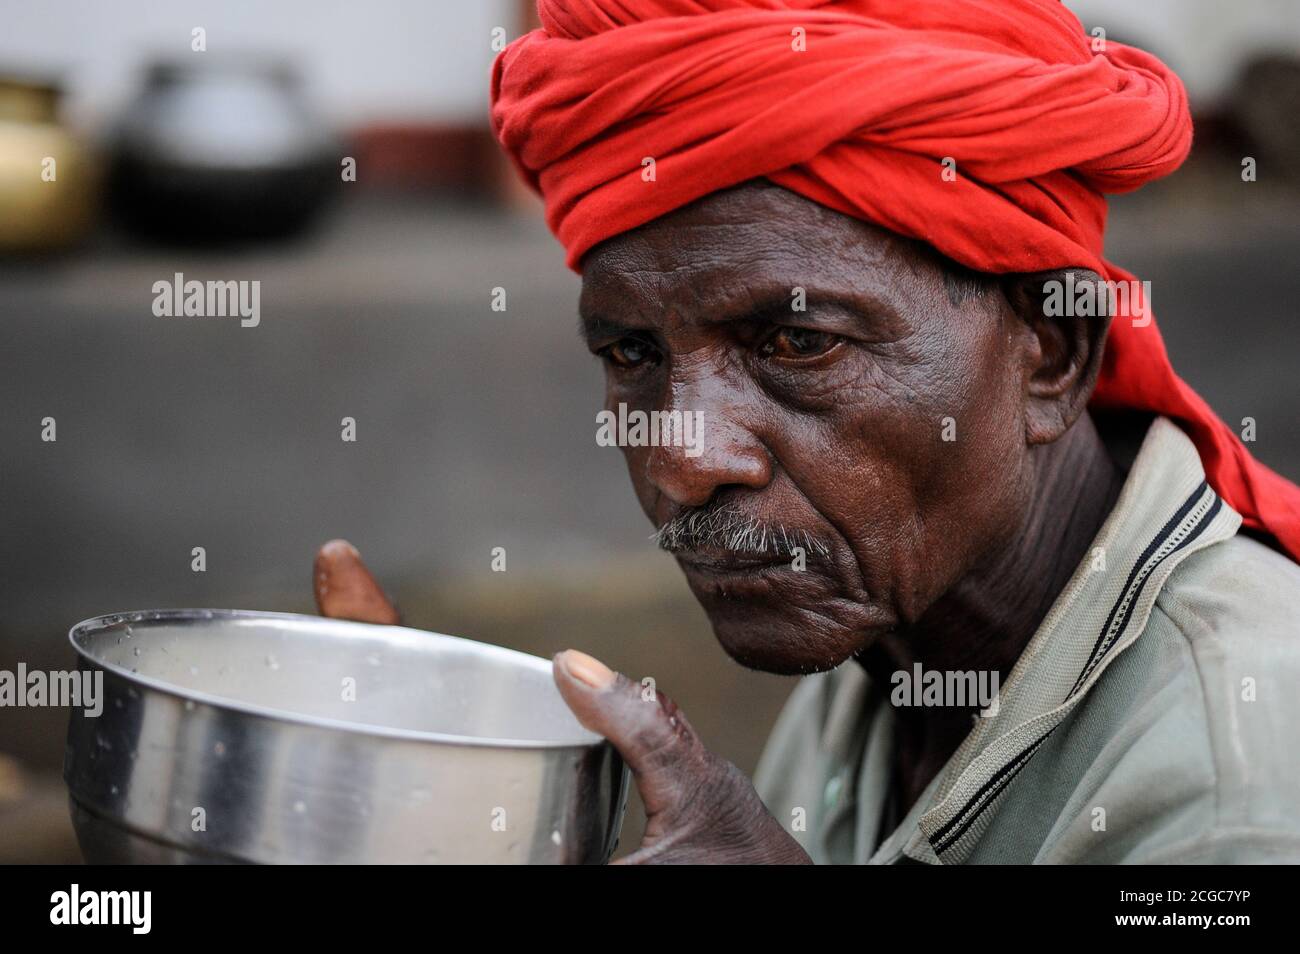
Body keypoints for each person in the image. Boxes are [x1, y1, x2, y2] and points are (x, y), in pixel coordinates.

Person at [319, 0, 1300, 863]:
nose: (682, 460)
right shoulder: (886, 644)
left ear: (1047, 350)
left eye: (795, 341)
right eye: (631, 356)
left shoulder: (1235, 780)